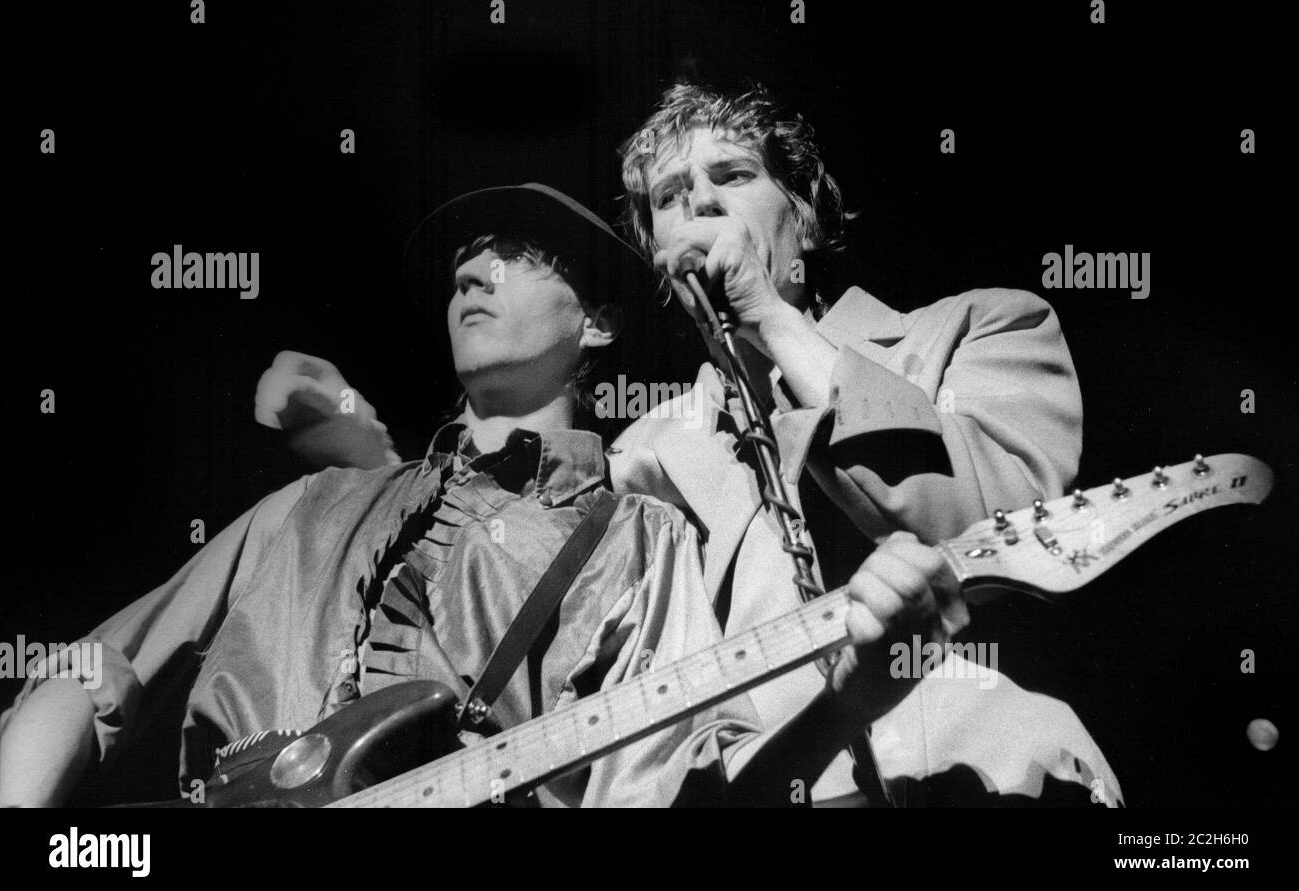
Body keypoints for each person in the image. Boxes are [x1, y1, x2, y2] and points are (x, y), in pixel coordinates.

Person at [261, 84, 1124, 807]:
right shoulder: (643, 448)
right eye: (669, 197)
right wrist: (366, 460)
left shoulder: (981, 328)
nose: (698, 203)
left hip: (979, 770)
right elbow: (491, 569)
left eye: (732, 176)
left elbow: (984, 517)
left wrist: (774, 319)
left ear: (809, 219)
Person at [0, 184, 957, 808]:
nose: (471, 271)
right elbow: (89, 673)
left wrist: (848, 702)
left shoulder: (639, 539)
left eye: (517, 255)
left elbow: (663, 794)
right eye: (466, 259)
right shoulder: (312, 504)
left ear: (599, 324)